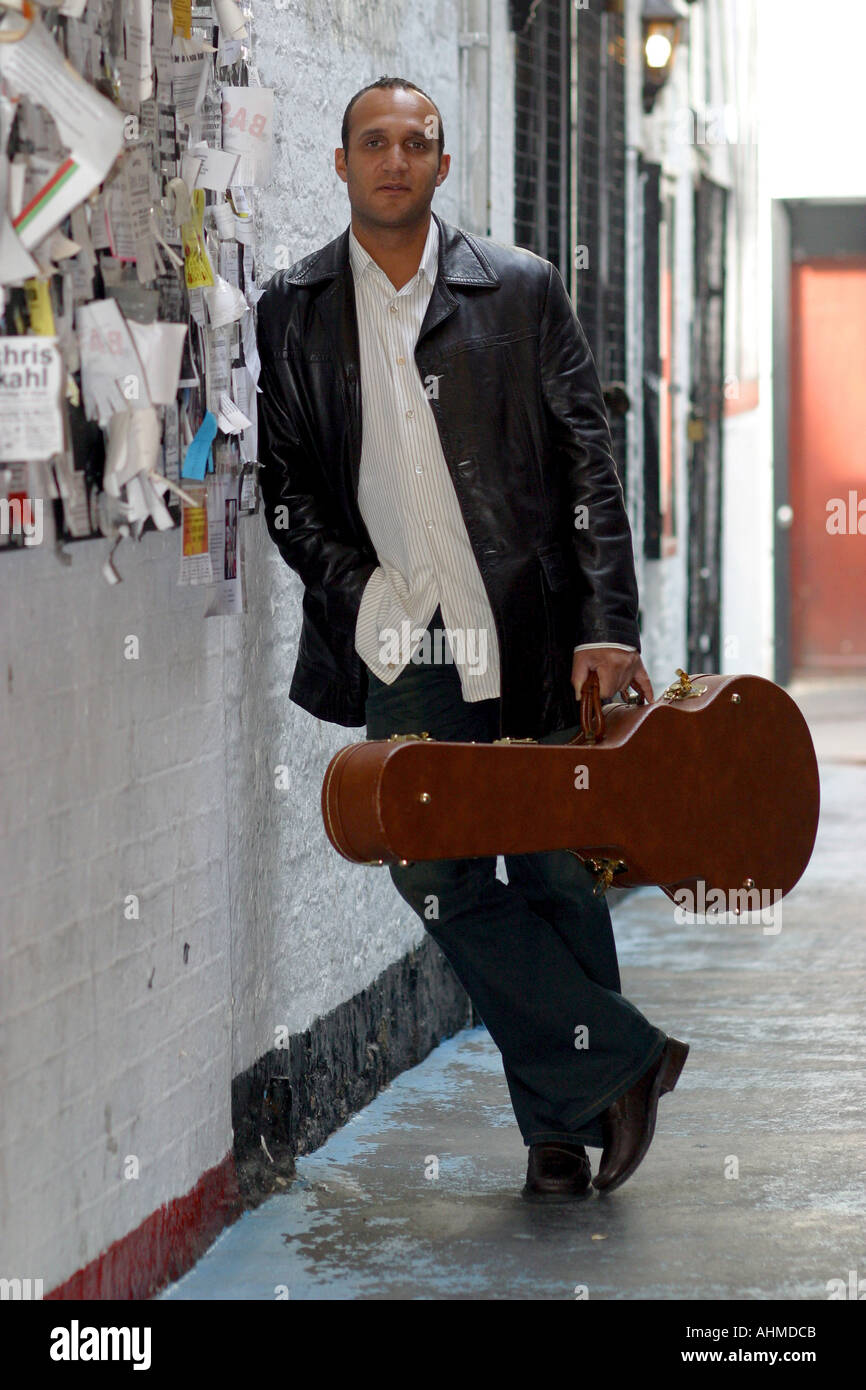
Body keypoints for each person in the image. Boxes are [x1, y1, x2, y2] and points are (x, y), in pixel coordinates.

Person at [255, 75, 689, 1199]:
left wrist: (607, 625)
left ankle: (559, 1134)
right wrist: (362, 596)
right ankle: (618, 1063)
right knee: (431, 868)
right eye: (373, 142)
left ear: (442, 166)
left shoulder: (520, 287)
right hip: (405, 637)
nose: (394, 159)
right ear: (341, 163)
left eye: (416, 143)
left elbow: (587, 464)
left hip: (528, 625)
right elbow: (287, 489)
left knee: (554, 869)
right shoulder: (294, 307)